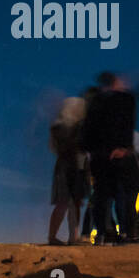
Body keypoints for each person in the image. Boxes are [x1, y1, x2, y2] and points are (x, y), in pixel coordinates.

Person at [82, 71, 139, 244]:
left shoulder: (94, 102)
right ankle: (123, 234)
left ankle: (103, 234)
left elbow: (88, 130)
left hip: (98, 155)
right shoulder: (120, 101)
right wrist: (123, 147)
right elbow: (126, 121)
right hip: (113, 155)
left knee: (101, 195)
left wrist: (90, 151)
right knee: (118, 195)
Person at [48, 96, 88, 245]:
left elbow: (53, 148)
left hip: (69, 164)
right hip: (72, 165)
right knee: (67, 202)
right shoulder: (66, 127)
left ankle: (70, 237)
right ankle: (65, 237)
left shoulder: (57, 126)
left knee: (70, 202)